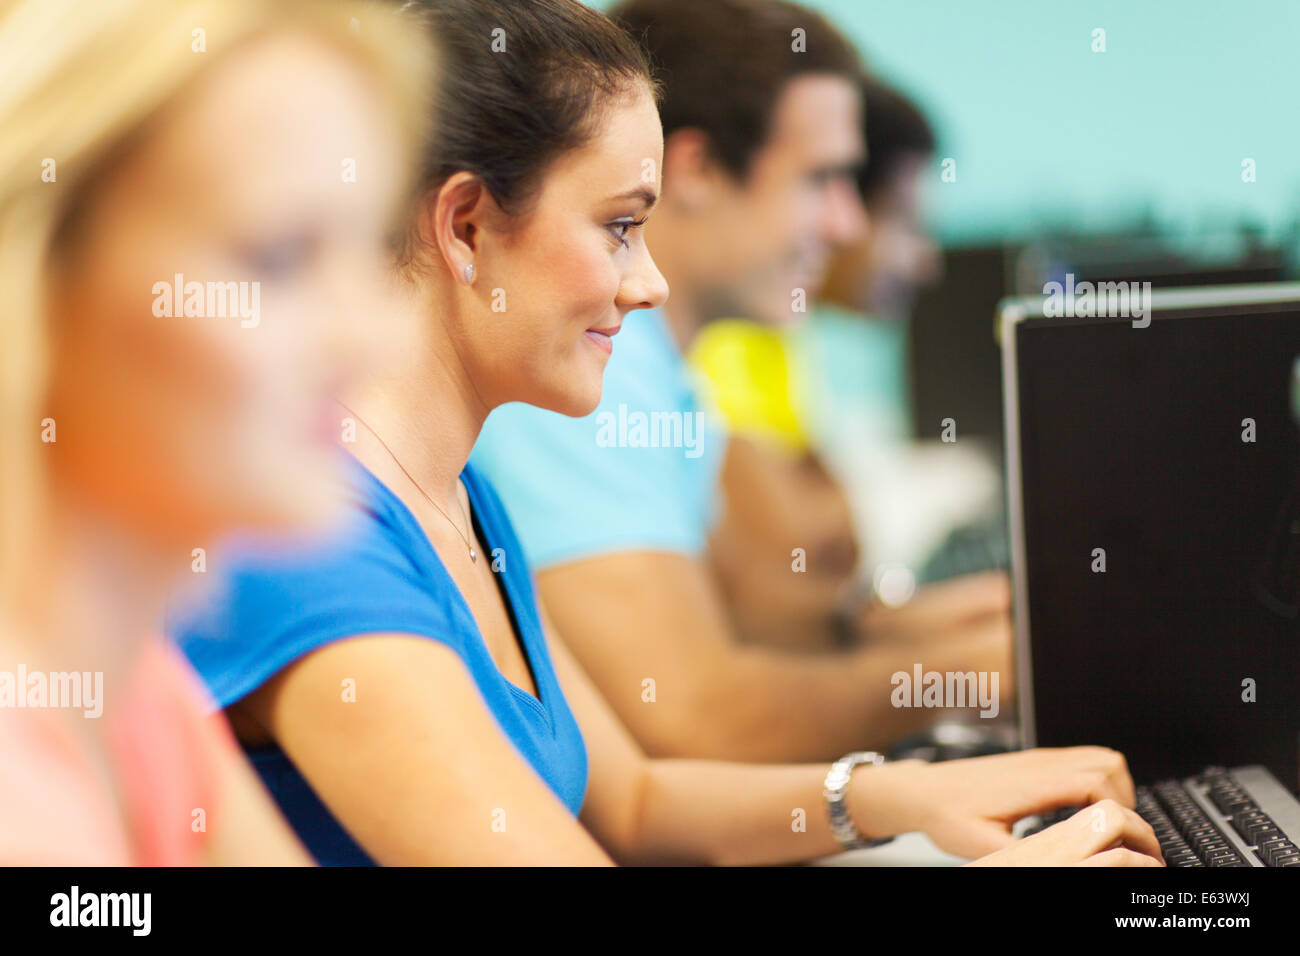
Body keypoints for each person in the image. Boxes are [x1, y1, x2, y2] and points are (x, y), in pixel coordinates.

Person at [170, 0, 1161, 868]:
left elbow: (637, 802)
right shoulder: (314, 542)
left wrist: (894, 797)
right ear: (466, 228)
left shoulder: (464, 495)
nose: (650, 282)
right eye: (618, 226)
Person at [470, 0, 1011, 762]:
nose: (847, 226)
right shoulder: (593, 380)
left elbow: (757, 628)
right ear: (696, 170)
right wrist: (976, 674)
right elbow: (696, 720)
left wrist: (937, 631)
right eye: (821, 179)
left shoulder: (659, 373)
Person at [0, 0, 433, 864]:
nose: (378, 338)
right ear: (41, 284)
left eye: (365, 250)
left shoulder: (133, 691)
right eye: (276, 258)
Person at [687, 74, 947, 651]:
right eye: (905, 222)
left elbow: (835, 540)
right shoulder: (731, 325)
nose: (926, 262)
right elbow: (787, 556)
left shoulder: (784, 329)